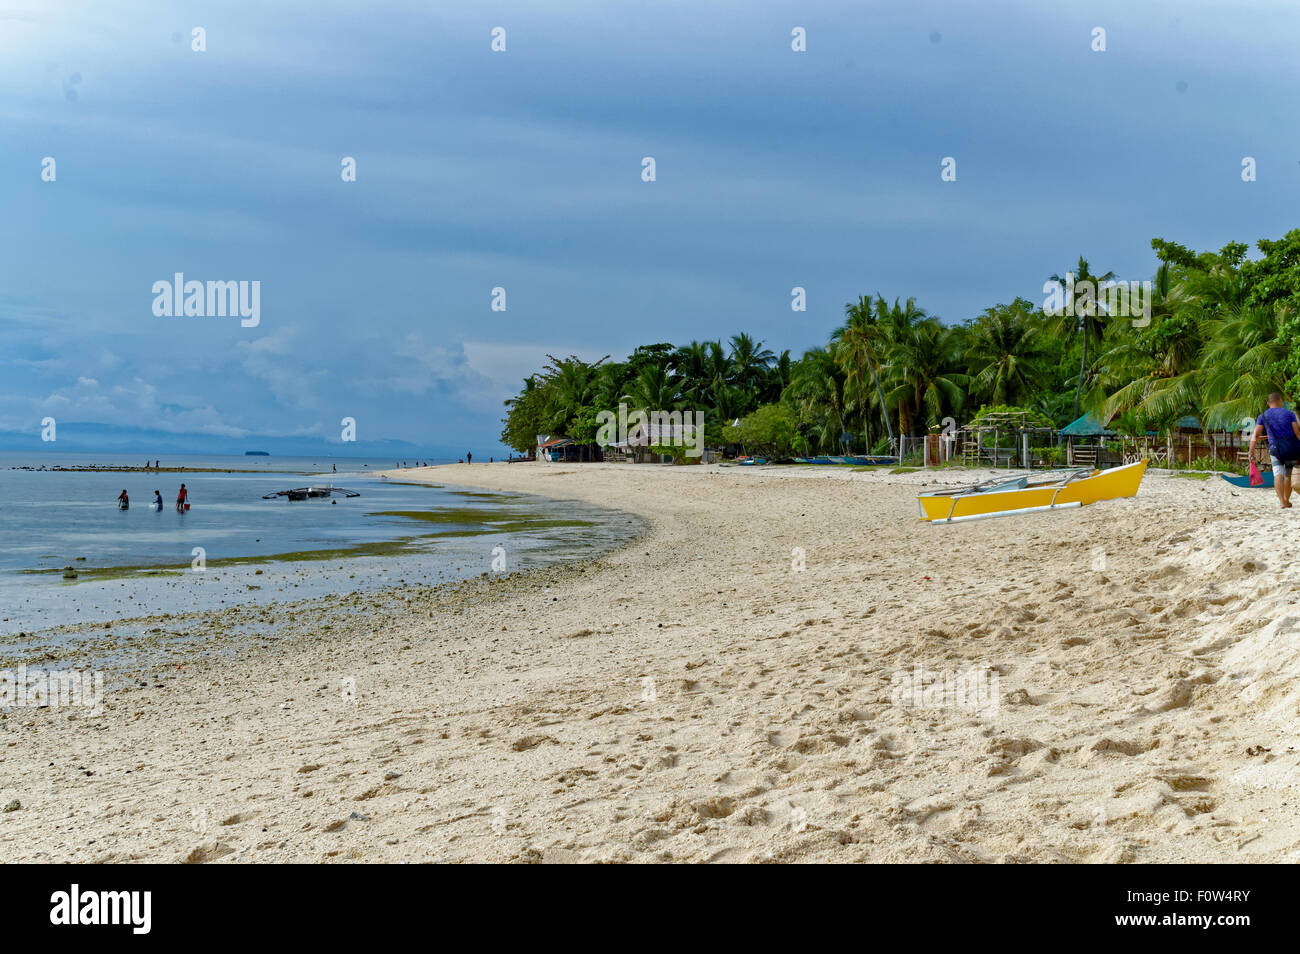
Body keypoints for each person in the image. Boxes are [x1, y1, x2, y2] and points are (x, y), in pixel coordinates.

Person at [1250, 392, 1300, 508]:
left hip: (1275, 449)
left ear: (1268, 403)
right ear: (1281, 401)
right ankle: (1287, 500)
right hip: (1290, 449)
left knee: (1278, 474)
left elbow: (1255, 435)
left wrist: (1251, 451)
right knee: (1288, 475)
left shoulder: (1263, 416)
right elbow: (1297, 433)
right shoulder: (1290, 414)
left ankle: (1282, 502)